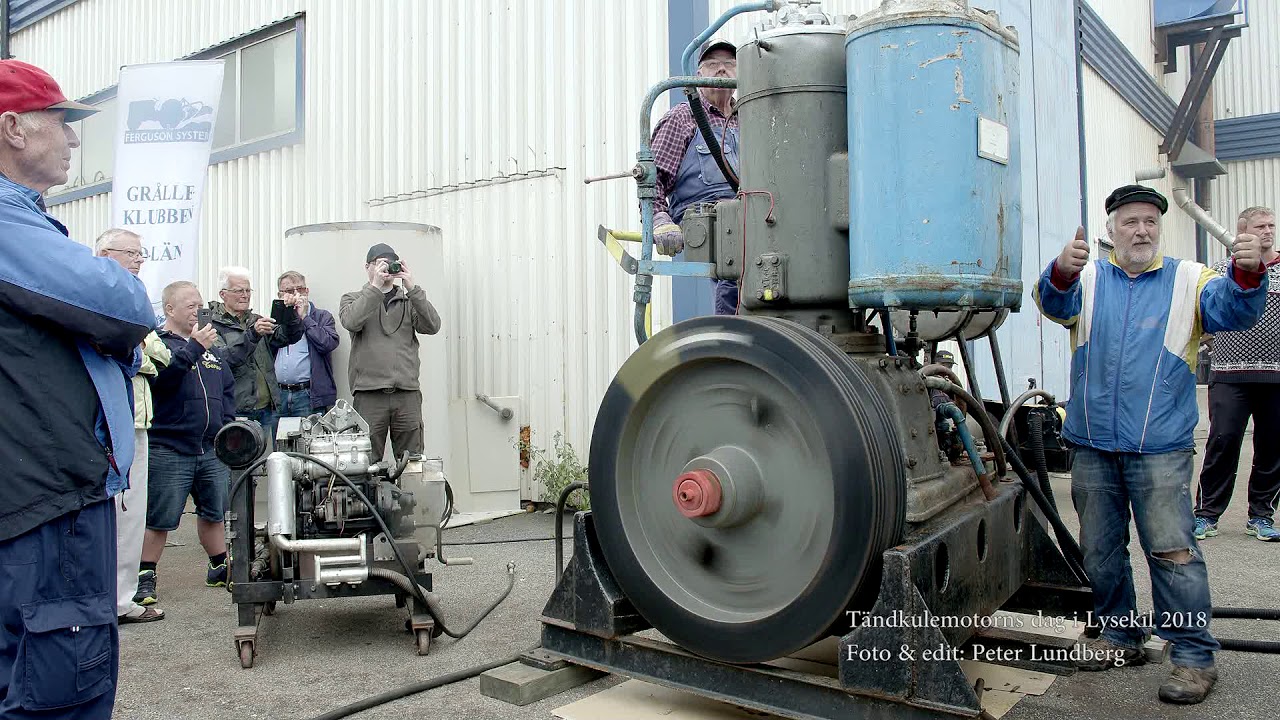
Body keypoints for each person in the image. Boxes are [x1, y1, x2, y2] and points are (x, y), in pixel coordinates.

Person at [1034, 184, 1266, 705]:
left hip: (1159, 446)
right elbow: (1051, 302)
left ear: (1159, 228)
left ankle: (1191, 655)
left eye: (1150, 222)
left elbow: (1234, 311)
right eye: (1130, 221)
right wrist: (1062, 271)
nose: (1141, 230)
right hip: (1092, 444)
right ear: (1111, 227)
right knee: (1100, 552)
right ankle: (1120, 636)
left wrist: (1249, 274)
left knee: (1173, 553)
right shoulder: (1088, 279)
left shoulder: (1191, 279)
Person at [0, 59, 154, 718]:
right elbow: (123, 305)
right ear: (12, 127)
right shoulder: (8, 224)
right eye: (61, 122)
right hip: (49, 503)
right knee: (60, 688)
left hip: (34, 495)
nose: (72, 139)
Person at [135, 281, 236, 606]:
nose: (197, 309)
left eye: (199, 304)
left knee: (214, 513)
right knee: (160, 518)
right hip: (170, 447)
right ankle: (145, 576)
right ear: (169, 309)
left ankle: (219, 565)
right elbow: (161, 385)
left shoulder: (212, 349)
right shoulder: (157, 345)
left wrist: (228, 425)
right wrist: (193, 347)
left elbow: (226, 388)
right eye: (190, 305)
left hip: (211, 448)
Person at [95, 228, 170, 624]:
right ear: (106, 253)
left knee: (130, 511)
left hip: (138, 421)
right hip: (101, 419)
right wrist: (131, 350)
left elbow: (158, 355)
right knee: (100, 512)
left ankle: (122, 599)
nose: (140, 260)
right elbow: (116, 348)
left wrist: (131, 351)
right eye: (132, 253)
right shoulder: (93, 292)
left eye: (141, 254)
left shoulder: (135, 296)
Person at [1195, 206, 1280, 542]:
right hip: (1230, 374)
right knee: (1223, 441)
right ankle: (1206, 515)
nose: (1268, 231)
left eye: (1272, 225)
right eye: (1261, 226)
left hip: (1276, 376)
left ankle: (1261, 516)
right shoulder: (1220, 271)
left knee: (1272, 447)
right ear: (1243, 230)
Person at [648, 38, 740, 315]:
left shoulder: (750, 117)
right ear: (698, 75)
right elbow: (652, 180)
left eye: (729, 64)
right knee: (736, 271)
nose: (721, 70)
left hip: (750, 215)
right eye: (712, 64)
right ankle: (733, 338)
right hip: (706, 219)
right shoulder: (682, 118)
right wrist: (660, 220)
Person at [339, 243, 441, 462]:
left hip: (406, 393)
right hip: (369, 393)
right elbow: (351, 321)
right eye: (379, 264)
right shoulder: (352, 299)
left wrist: (413, 288)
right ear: (367, 267)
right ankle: (371, 498)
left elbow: (432, 326)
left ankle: (410, 497)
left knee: (412, 462)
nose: (385, 270)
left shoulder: (409, 301)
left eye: (389, 264)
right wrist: (375, 287)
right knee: (366, 462)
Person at [208, 266, 304, 442]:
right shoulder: (211, 325)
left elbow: (288, 337)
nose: (245, 295)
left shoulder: (255, 319)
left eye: (247, 290)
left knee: (263, 466)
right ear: (223, 294)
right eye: (238, 291)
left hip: (265, 409)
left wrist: (290, 312)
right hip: (235, 411)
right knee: (238, 465)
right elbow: (224, 359)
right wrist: (252, 335)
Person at [272, 271, 340, 418]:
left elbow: (327, 344)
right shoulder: (276, 318)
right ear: (280, 295)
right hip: (279, 395)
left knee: (308, 441)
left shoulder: (322, 317)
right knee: (280, 440)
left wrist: (304, 317)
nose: (297, 294)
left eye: (301, 289)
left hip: (308, 395)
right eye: (290, 291)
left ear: (307, 291)